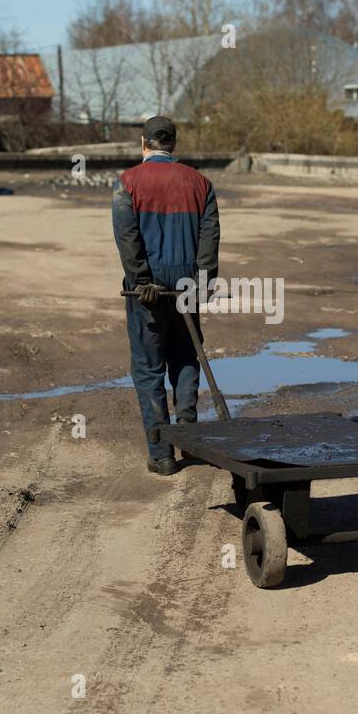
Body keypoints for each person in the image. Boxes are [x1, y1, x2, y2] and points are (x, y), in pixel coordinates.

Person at [111, 115, 220, 475]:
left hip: (147, 290)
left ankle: (162, 455)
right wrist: (204, 281)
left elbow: (128, 240)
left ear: (144, 144)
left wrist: (141, 279)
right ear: (172, 144)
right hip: (186, 282)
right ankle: (187, 437)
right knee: (186, 358)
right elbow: (209, 237)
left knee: (148, 367)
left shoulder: (127, 183)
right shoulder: (200, 183)